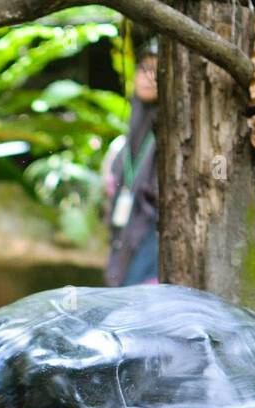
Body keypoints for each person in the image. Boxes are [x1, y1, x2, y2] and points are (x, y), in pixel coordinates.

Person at [103, 40, 160, 286]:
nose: (148, 77)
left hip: (153, 231)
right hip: (126, 231)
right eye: (143, 68)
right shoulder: (129, 133)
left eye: (157, 71)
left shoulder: (172, 130)